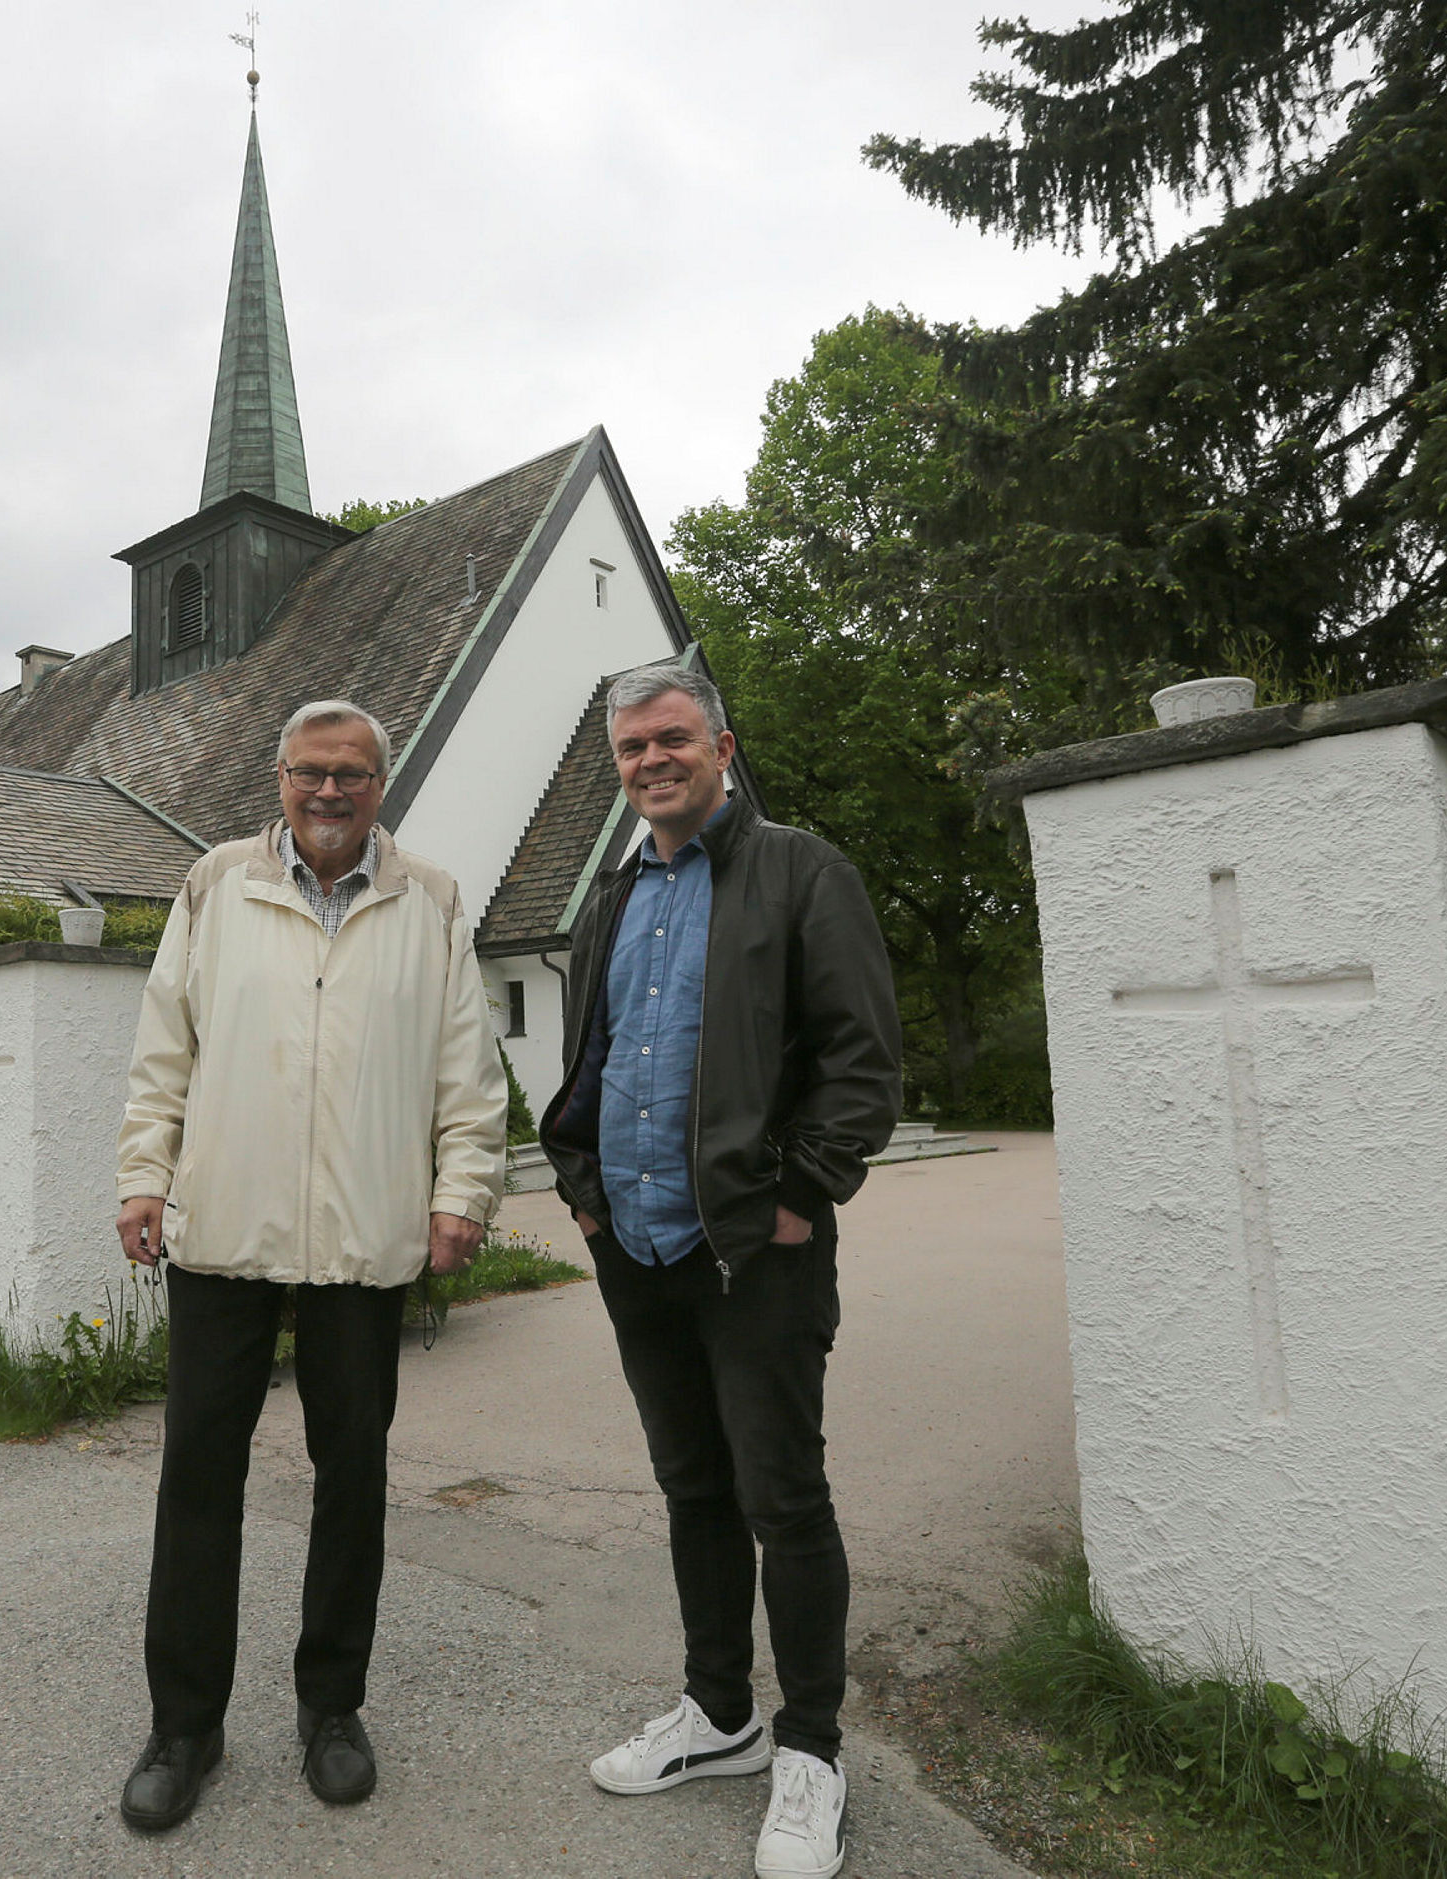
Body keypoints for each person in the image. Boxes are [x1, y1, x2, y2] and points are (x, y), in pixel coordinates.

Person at [112, 698, 505, 1831]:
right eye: (308, 773)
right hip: (223, 1229)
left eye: (351, 774)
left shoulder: (427, 898)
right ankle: (184, 1725)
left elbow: (465, 1074)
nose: (329, 792)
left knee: (353, 1478)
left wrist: (458, 1197)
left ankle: (332, 1706)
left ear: (382, 784)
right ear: (277, 777)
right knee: (197, 1477)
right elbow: (163, 1045)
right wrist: (146, 1174)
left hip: (364, 1237)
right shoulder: (216, 883)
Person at [541, 663, 900, 1879]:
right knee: (693, 1491)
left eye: (672, 738)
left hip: (755, 1254)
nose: (652, 760)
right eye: (632, 746)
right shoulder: (611, 894)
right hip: (635, 1248)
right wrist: (584, 1195)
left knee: (781, 1498)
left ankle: (809, 1749)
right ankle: (722, 1716)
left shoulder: (803, 872)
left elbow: (862, 1061)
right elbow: (591, 1057)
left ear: (722, 746)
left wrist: (801, 1198)